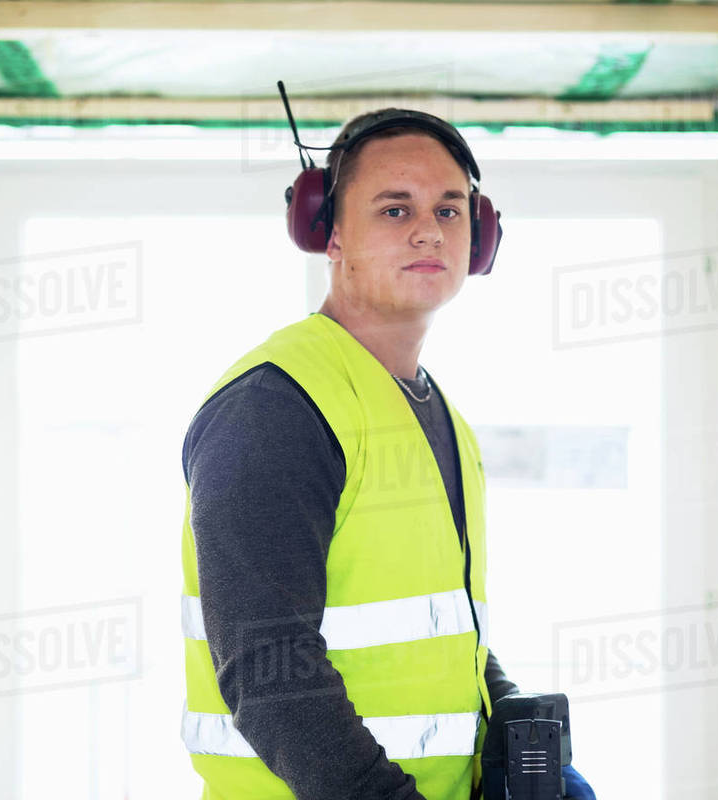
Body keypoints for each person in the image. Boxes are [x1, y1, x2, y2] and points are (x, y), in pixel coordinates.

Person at [179, 105, 595, 800]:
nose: (429, 229)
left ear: (481, 236)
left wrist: (509, 720)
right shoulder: (276, 406)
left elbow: (436, 627)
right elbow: (269, 671)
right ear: (329, 231)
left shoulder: (436, 414)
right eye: (395, 210)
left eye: (451, 209)